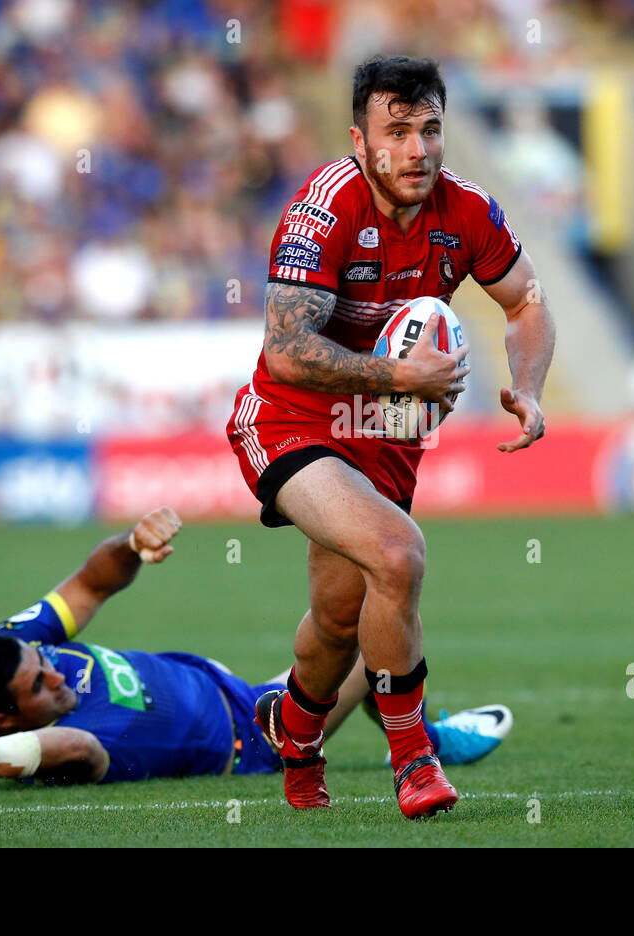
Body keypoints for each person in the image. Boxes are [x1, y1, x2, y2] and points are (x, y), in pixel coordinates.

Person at [226, 56, 554, 817]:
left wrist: (528, 389)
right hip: (289, 421)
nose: (417, 149)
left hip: (384, 436)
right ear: (359, 140)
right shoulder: (325, 206)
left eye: (430, 129)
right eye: (397, 131)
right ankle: (415, 763)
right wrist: (405, 379)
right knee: (398, 554)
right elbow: (288, 350)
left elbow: (528, 303)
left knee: (339, 622)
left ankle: (294, 735)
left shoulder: (467, 211)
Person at [0, 507, 511, 795]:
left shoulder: (20, 648)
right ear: (2, 719)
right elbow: (72, 745)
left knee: (370, 607)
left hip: (242, 691)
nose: (54, 674)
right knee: (368, 621)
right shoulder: (61, 751)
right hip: (258, 737)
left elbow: (91, 583)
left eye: (44, 662)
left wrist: (132, 546)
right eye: (38, 687)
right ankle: (424, 744)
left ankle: (416, 733)